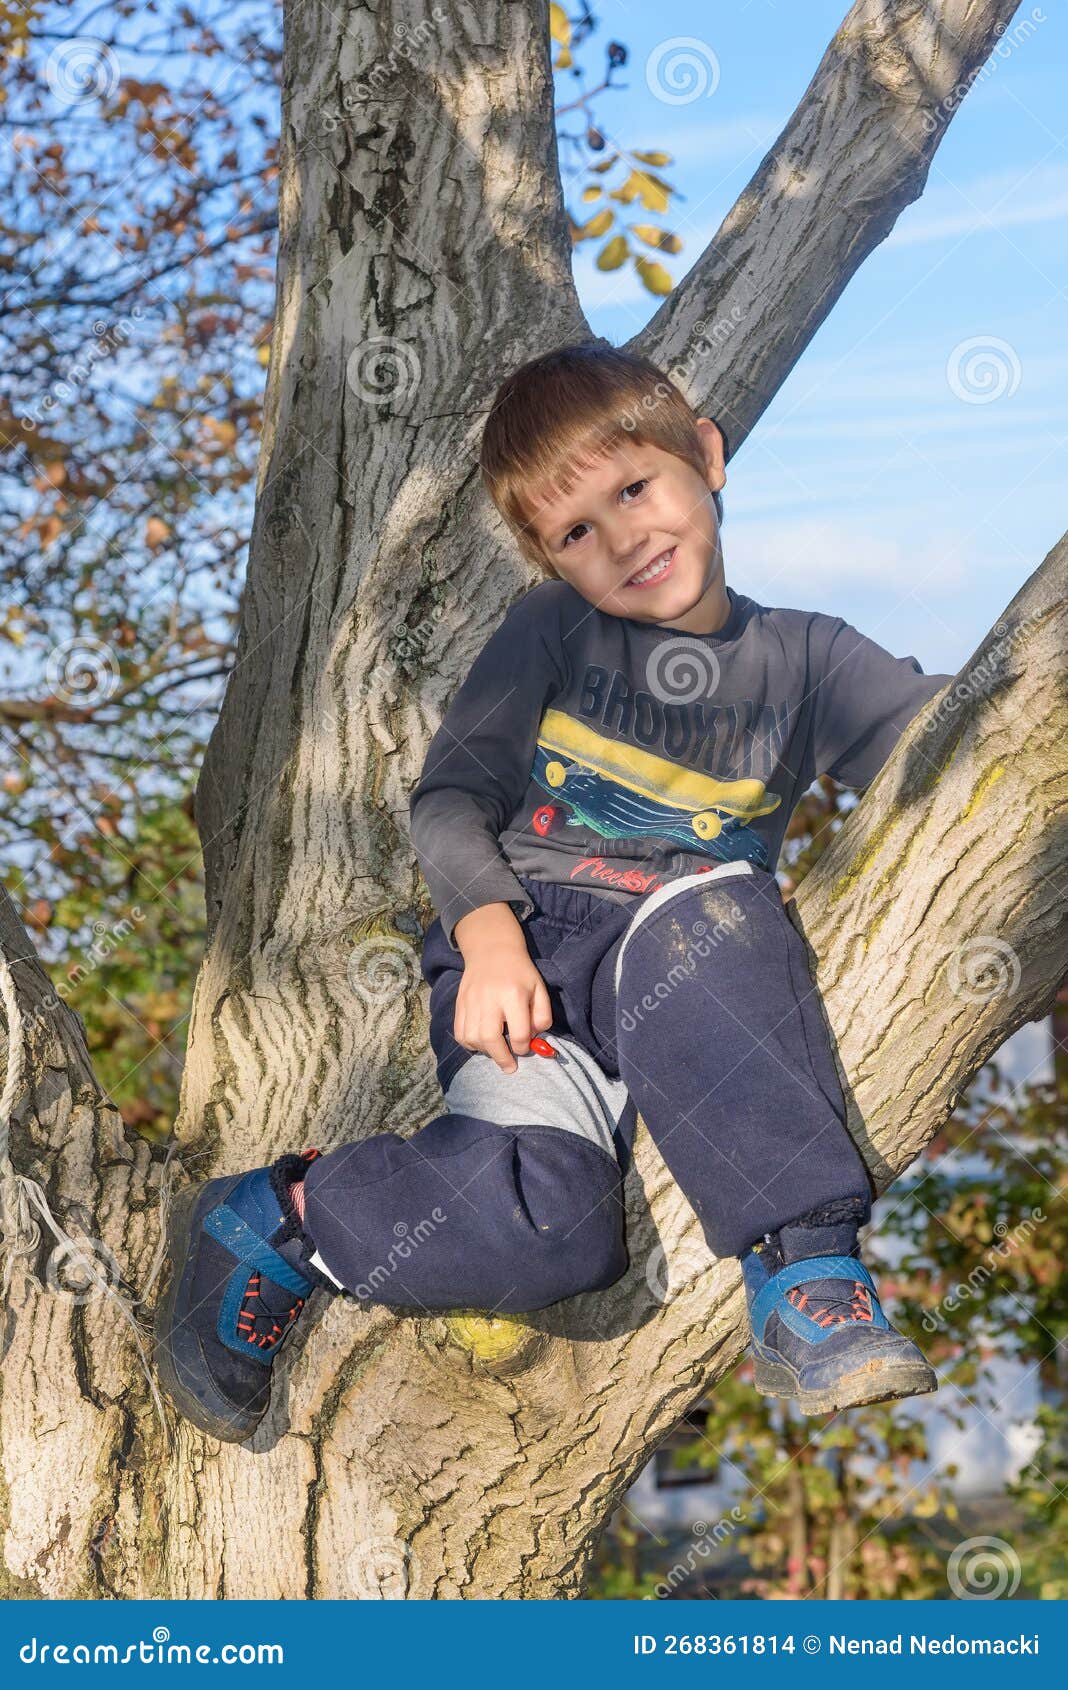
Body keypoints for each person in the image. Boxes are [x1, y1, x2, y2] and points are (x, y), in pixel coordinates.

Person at [155, 343, 954, 1442]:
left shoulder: (807, 659)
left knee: (722, 909)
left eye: (635, 489)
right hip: (531, 952)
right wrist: (487, 938)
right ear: (545, 559)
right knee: (552, 1229)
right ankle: (283, 1219)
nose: (622, 539)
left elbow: (951, 735)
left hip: (689, 960)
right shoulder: (553, 632)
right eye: (576, 531)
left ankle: (805, 1268)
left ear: (705, 456)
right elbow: (451, 797)